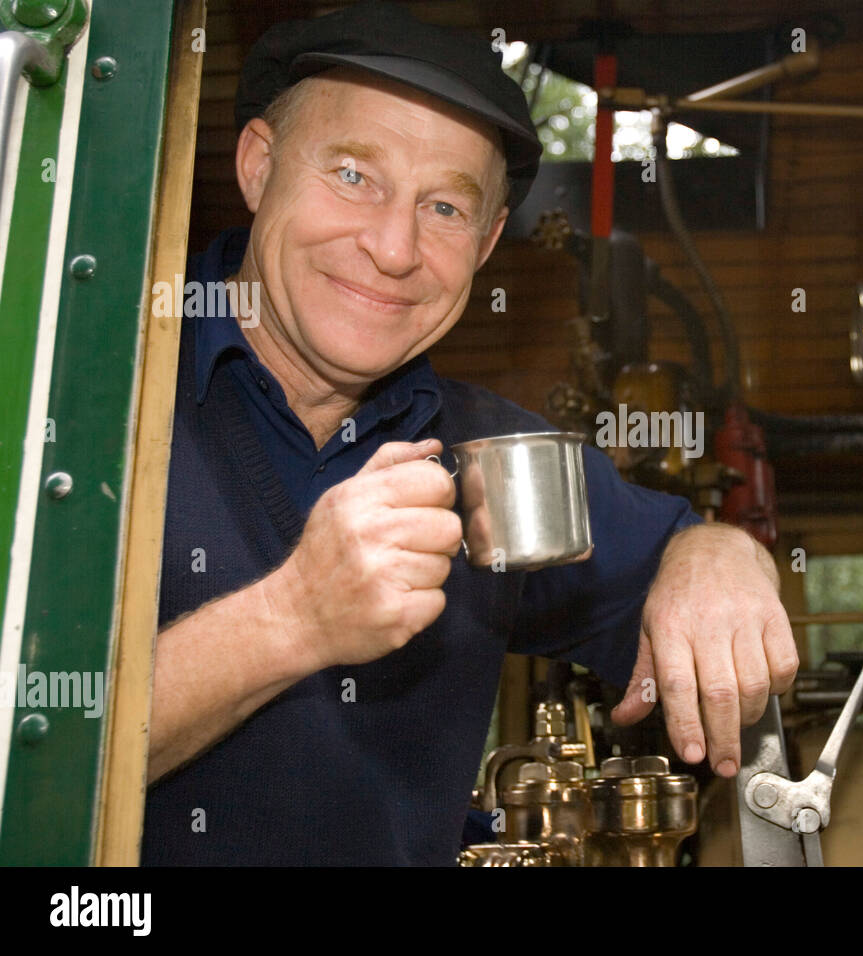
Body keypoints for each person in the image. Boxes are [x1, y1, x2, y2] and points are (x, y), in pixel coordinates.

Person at [143, 1, 797, 865]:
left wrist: (721, 558)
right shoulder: (77, 384)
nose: (392, 247)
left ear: (488, 242)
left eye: (445, 209)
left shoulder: (492, 458)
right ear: (260, 167)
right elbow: (25, 749)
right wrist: (291, 618)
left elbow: (681, 548)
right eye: (353, 175)